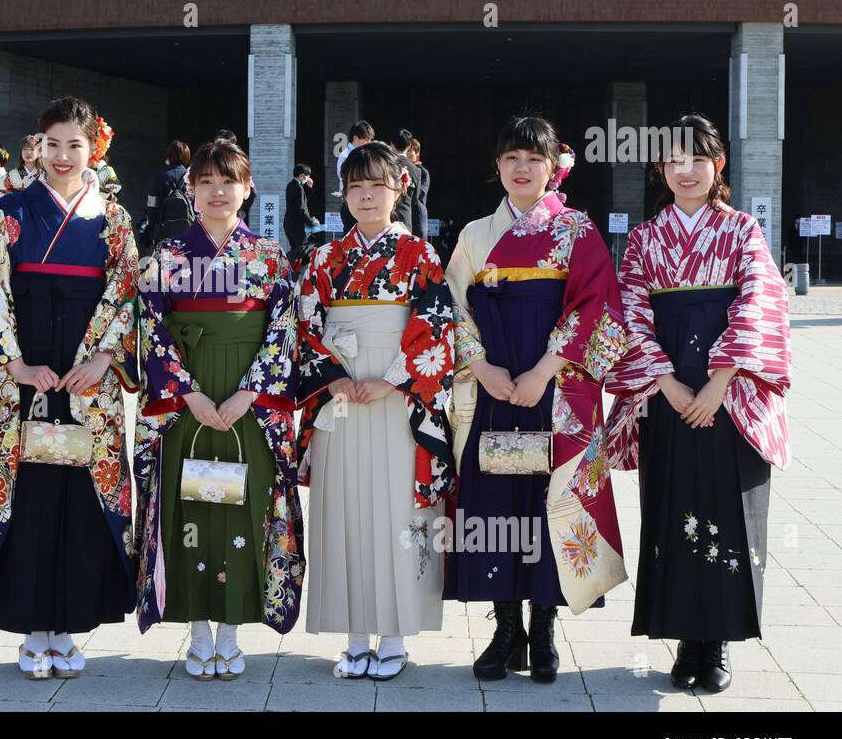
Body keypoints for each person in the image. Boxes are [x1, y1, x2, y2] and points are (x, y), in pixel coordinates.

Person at [604, 114, 791, 695]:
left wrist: (719, 382)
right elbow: (630, 311)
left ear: (719, 166)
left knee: (728, 509)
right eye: (674, 161)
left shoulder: (741, 232)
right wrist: (664, 380)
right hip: (668, 390)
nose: (686, 171)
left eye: (698, 160)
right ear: (662, 169)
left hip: (728, 391)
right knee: (671, 505)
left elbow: (760, 301)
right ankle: (685, 637)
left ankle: (717, 644)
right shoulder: (645, 238)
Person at [443, 115, 629, 684]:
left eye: (534, 159)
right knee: (497, 505)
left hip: (556, 389)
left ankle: (544, 628)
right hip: (493, 386)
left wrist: (545, 370)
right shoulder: (475, 234)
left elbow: (600, 306)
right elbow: (451, 304)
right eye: (511, 159)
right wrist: (480, 366)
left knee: (549, 501)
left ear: (553, 168)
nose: (522, 169)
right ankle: (507, 631)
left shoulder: (576, 228)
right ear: (497, 167)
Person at [0, 96, 140, 680]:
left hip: (88, 381)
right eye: (53, 143)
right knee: (31, 496)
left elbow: (127, 296)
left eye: (75, 144)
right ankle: (33, 628)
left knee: (81, 500)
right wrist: (13, 365)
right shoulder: (11, 210)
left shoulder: (113, 221)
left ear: (94, 149)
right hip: (25, 379)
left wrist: (105, 358)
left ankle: (69, 627)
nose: (63, 156)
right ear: (37, 146)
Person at [134, 138, 305, 680]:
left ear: (247, 189)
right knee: (188, 507)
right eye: (204, 181)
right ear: (189, 190)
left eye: (227, 181)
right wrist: (188, 391)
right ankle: (198, 630)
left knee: (241, 507)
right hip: (187, 398)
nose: (216, 191)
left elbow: (283, 330)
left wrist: (249, 393)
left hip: (247, 401)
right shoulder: (169, 257)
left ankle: (231, 629)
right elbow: (152, 328)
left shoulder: (270, 258)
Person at [295, 142, 455, 680]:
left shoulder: (422, 256)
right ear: (343, 195)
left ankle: (394, 634)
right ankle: (354, 634)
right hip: (340, 397)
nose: (367, 196)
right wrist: (334, 377)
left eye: (378, 185)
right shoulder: (322, 258)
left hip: (397, 400)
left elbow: (437, 327)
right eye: (356, 187)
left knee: (396, 510)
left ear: (399, 188)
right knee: (341, 508)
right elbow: (303, 328)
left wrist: (391, 381)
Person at [142, 140, 194, 252]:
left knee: (164, 264)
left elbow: (152, 205)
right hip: (187, 230)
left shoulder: (159, 176)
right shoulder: (191, 177)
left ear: (169, 155)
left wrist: (151, 230)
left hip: (163, 230)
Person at [389, 128, 430, 238]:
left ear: (391, 144)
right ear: (408, 146)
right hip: (406, 218)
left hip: (387, 219)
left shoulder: (386, 165)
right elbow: (416, 198)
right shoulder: (416, 170)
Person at [337, 120, 375, 231]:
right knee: (351, 239)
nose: (369, 142)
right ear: (355, 138)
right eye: (366, 139)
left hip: (361, 202)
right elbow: (345, 178)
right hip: (351, 203)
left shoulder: (362, 154)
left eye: (370, 140)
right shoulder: (346, 156)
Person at [283, 162, 321, 252]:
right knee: (301, 250)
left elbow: (301, 201)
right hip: (296, 225)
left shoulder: (291, 185)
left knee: (295, 249)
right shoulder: (298, 187)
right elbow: (301, 208)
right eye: (308, 177)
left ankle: (290, 265)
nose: (308, 179)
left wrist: (309, 188)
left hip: (290, 224)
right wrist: (311, 222)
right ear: (302, 176)